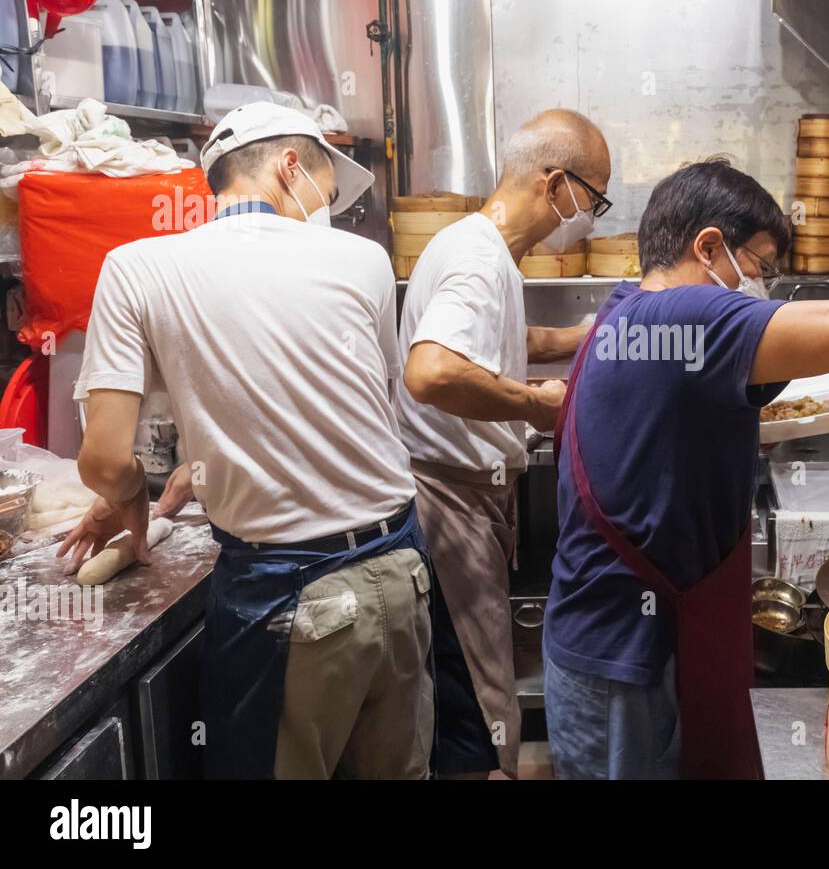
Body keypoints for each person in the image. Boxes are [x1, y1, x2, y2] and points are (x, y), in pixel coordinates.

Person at [543, 158, 829, 779]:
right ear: (710, 246)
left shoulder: (629, 313)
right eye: (763, 269)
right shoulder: (683, 314)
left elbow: (766, 367)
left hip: (615, 642)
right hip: (623, 659)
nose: (762, 286)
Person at [58, 103, 434, 780]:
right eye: (325, 183)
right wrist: (203, 466)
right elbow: (349, 409)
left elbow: (108, 458)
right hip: (401, 572)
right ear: (290, 166)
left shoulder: (138, 267)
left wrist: (127, 501)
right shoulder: (366, 260)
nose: (329, 207)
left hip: (290, 598)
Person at [397, 108, 608, 778]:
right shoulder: (479, 262)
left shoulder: (478, 248)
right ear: (555, 185)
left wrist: (585, 335)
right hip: (449, 502)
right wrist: (535, 406)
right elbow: (431, 372)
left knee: (467, 679)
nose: (590, 217)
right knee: (479, 697)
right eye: (592, 197)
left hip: (461, 496)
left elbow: (499, 343)